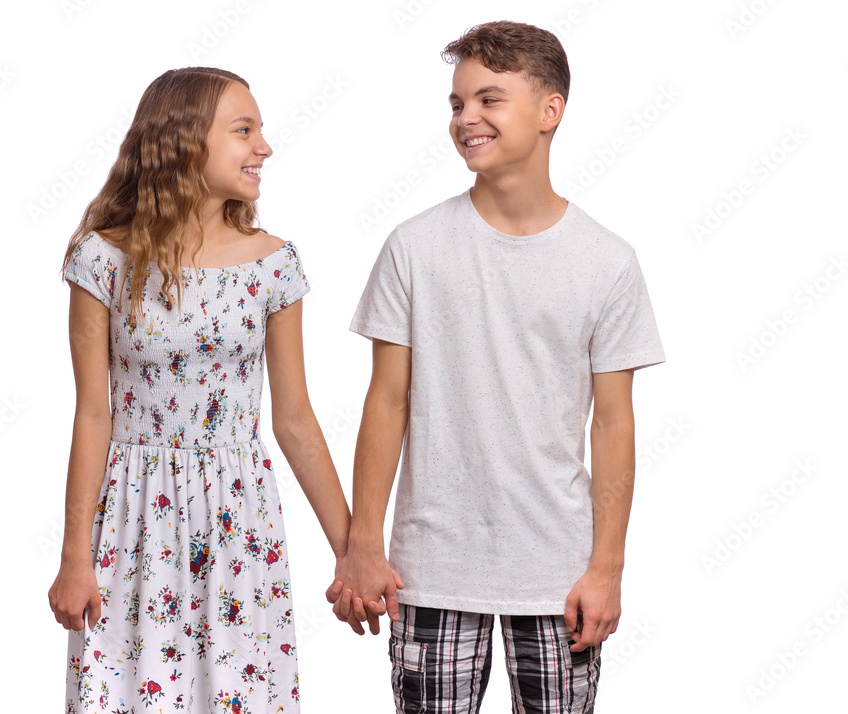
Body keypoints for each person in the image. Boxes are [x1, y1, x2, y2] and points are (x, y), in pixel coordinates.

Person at [326, 21, 667, 714]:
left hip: (559, 575)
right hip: (431, 570)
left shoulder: (607, 261)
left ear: (550, 110)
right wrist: (363, 542)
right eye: (456, 104)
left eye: (489, 100)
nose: (466, 119)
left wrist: (607, 567)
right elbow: (385, 403)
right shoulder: (414, 247)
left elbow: (615, 427)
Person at [48, 66, 358, 713]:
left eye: (261, 132)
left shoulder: (272, 263)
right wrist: (76, 558)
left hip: (237, 521)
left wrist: (352, 550)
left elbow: (294, 418)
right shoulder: (102, 260)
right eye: (244, 130)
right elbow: (93, 414)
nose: (264, 147)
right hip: (133, 518)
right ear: (185, 140)